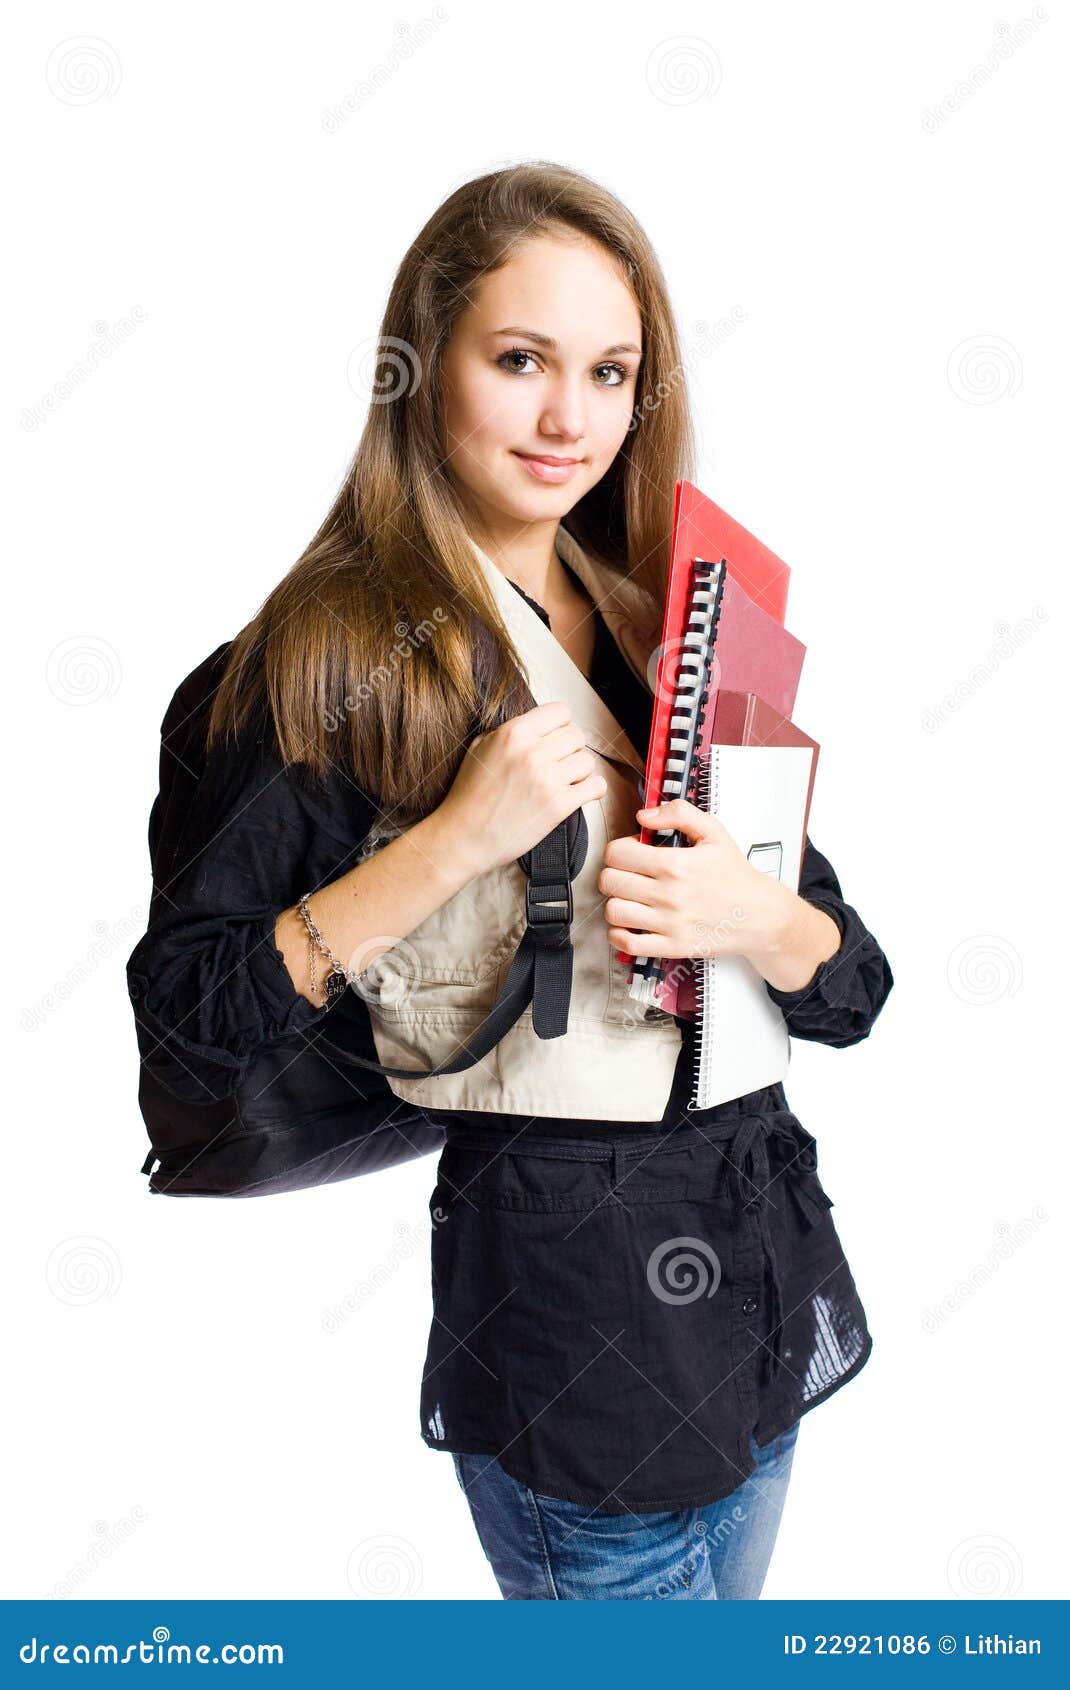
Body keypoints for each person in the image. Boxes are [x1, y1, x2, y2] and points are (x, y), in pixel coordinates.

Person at [126, 162, 893, 1600]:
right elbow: (186, 1014)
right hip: (574, 1318)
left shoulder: (667, 620)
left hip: (758, 1264)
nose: (568, 420)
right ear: (422, 368)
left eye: (609, 372)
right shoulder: (325, 669)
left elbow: (852, 988)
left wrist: (756, 916)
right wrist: (450, 843)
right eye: (520, 360)